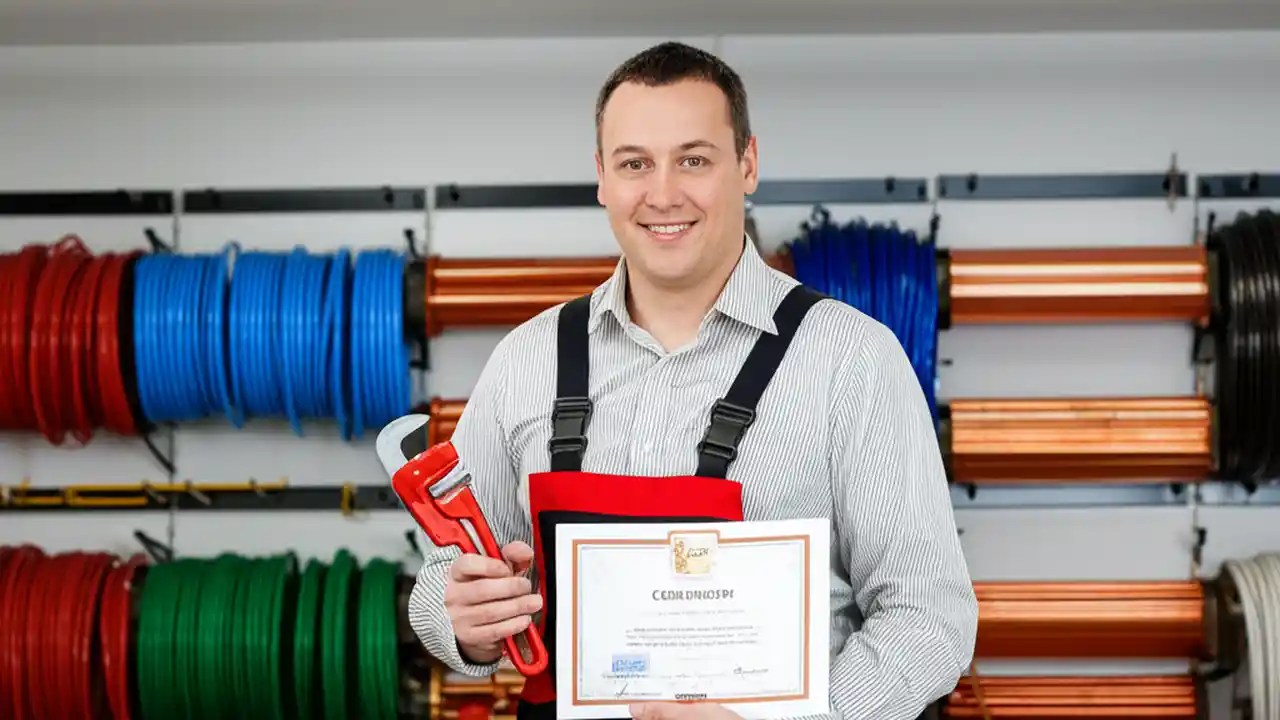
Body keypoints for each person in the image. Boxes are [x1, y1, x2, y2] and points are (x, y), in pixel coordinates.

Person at [408, 41, 978, 720]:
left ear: (748, 164)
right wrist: (460, 622)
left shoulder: (851, 361)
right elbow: (442, 577)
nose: (663, 194)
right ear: (601, 177)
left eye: (694, 160)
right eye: (634, 164)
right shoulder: (525, 361)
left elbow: (929, 616)